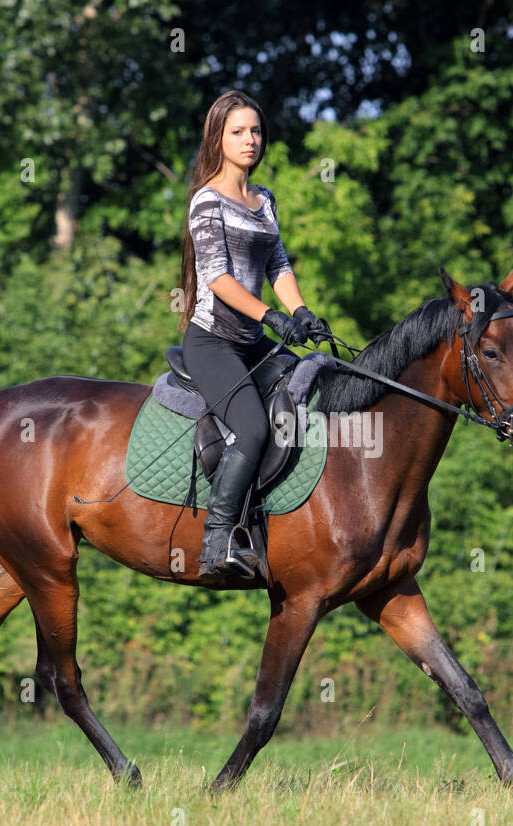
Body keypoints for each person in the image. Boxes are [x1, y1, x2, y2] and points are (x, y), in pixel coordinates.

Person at [177, 90, 327, 581]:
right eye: (238, 131)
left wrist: (300, 310)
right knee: (256, 427)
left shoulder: (264, 200)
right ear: (218, 139)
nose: (250, 140)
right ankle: (217, 543)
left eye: (255, 131)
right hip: (214, 342)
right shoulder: (206, 200)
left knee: (316, 387)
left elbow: (278, 263)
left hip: (255, 343)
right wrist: (271, 316)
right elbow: (218, 278)